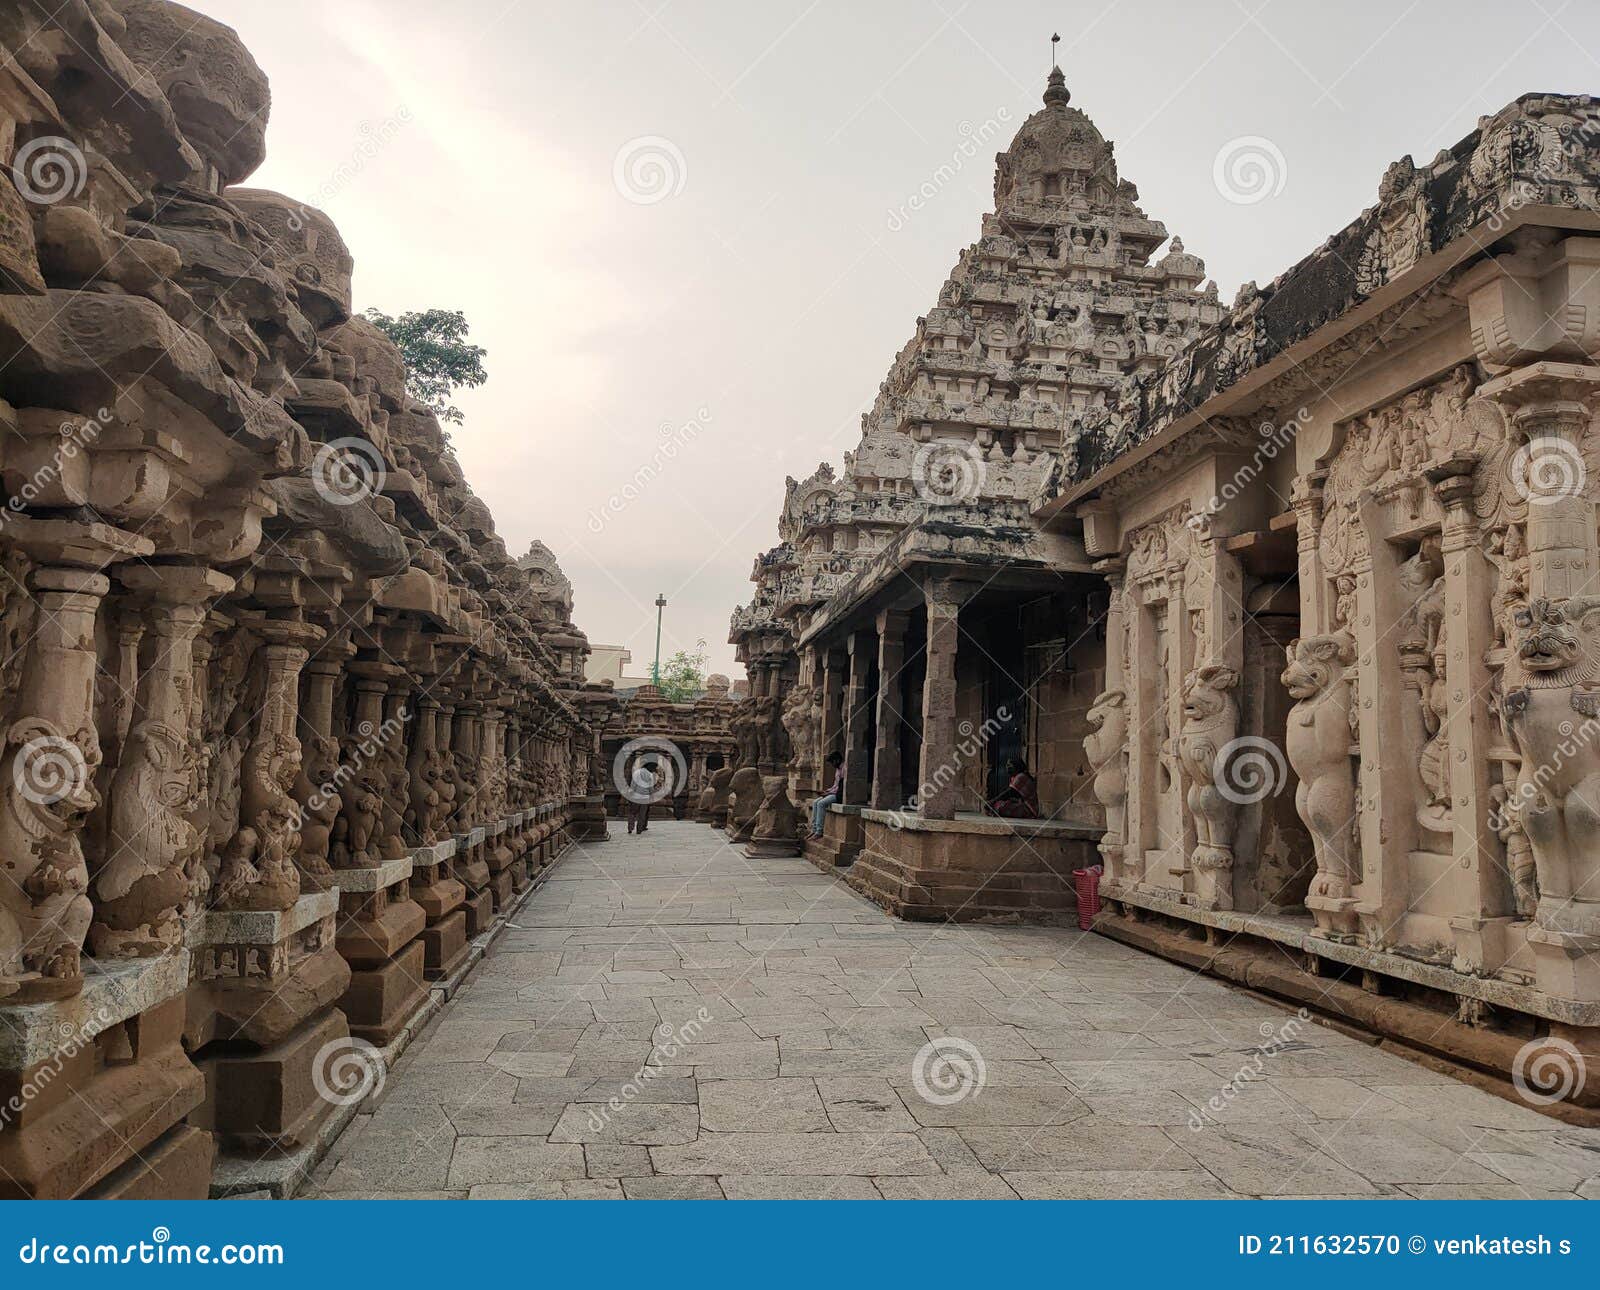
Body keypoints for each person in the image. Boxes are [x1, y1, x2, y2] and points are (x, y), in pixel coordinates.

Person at [810, 752, 845, 839]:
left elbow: (841, 787)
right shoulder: (837, 770)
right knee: (815, 802)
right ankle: (813, 830)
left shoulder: (845, 769)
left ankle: (819, 831)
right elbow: (835, 786)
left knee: (821, 804)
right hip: (833, 792)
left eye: (832, 762)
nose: (832, 764)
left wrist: (828, 793)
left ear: (837, 760)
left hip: (840, 795)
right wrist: (826, 791)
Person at [627, 758, 659, 834]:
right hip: (645, 798)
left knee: (632, 813)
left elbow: (633, 785)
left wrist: (630, 794)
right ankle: (639, 830)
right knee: (642, 815)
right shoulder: (650, 775)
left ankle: (630, 828)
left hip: (636, 796)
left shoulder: (636, 773)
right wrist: (652, 795)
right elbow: (650, 788)